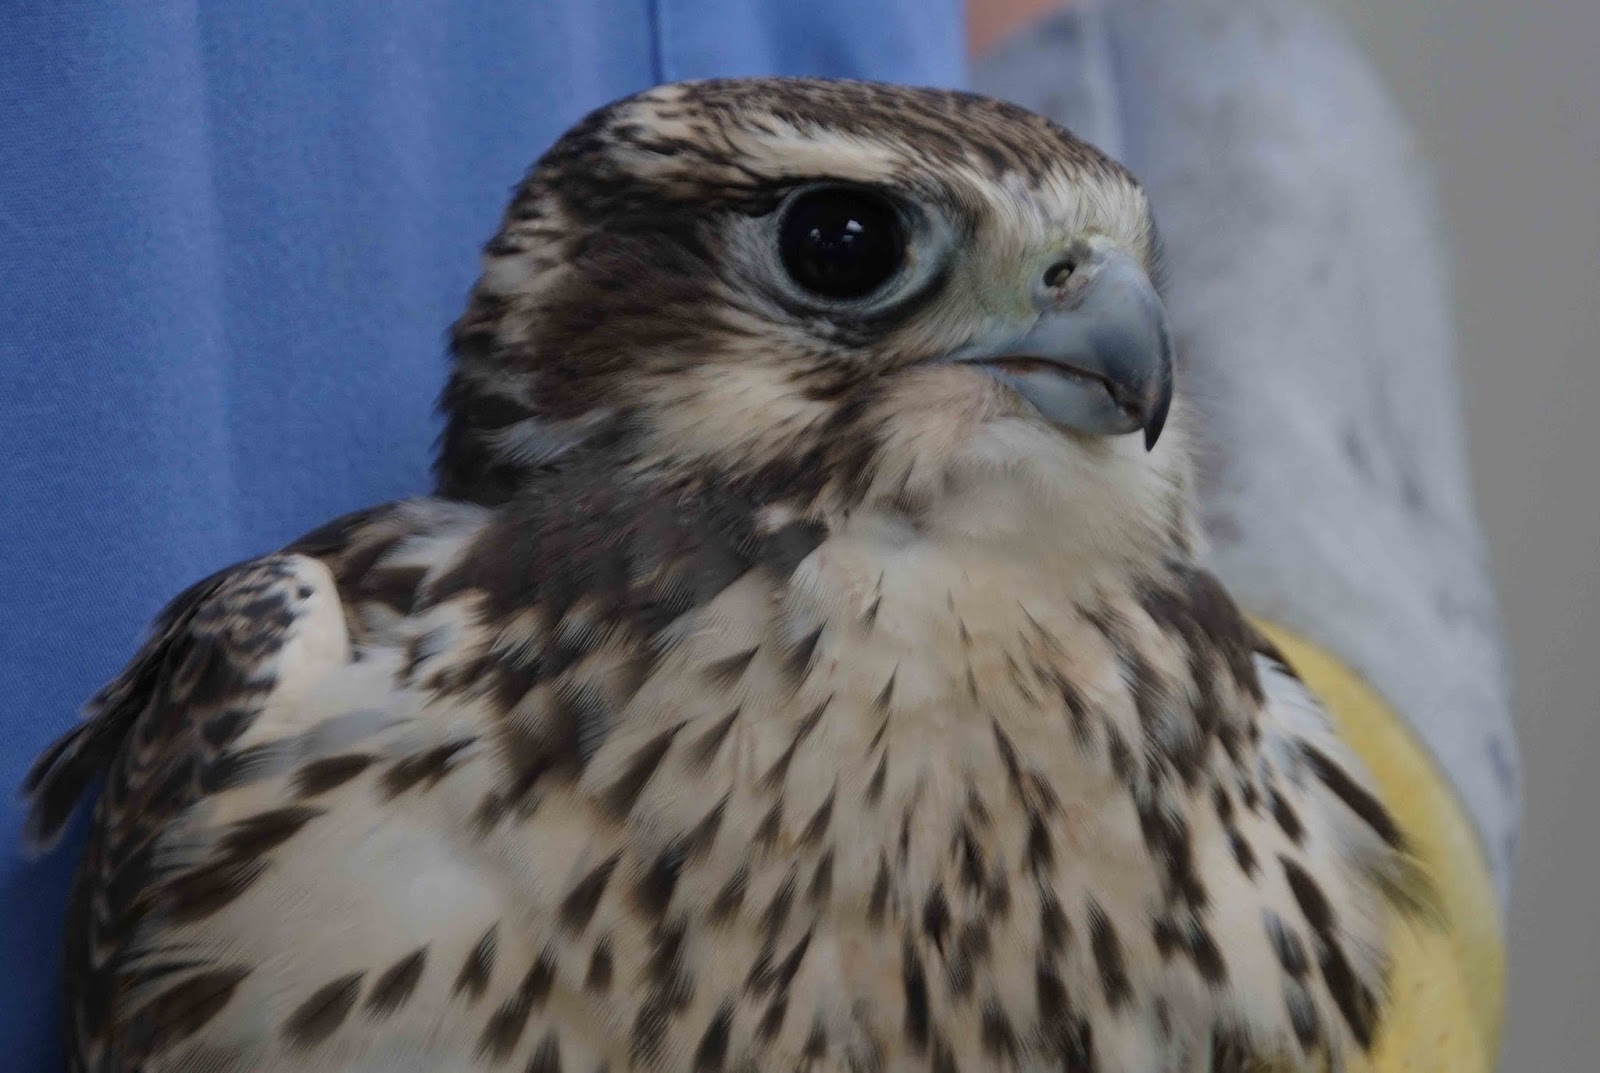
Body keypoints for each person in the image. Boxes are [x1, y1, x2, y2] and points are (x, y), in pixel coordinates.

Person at [0, 1, 1511, 1067]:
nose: (1100, 321)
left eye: (1120, 273)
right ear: (581, 321)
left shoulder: (1265, 789)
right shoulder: (323, 702)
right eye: (848, 251)